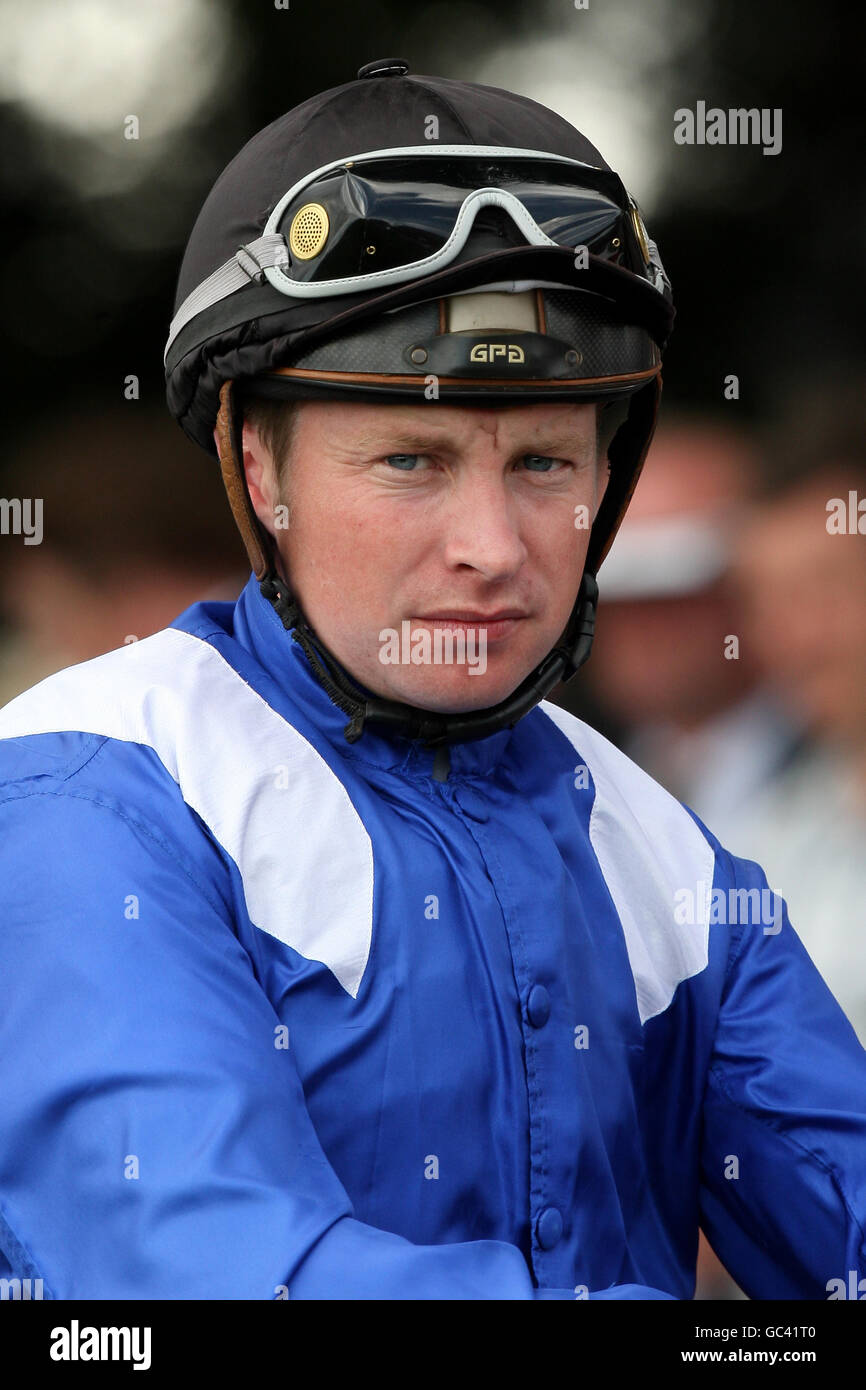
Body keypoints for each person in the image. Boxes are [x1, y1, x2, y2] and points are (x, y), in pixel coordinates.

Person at [0, 60, 864, 1301]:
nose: (494, 547)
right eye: (409, 458)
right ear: (259, 470)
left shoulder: (651, 838)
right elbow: (229, 1278)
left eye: (545, 463)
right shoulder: (83, 793)